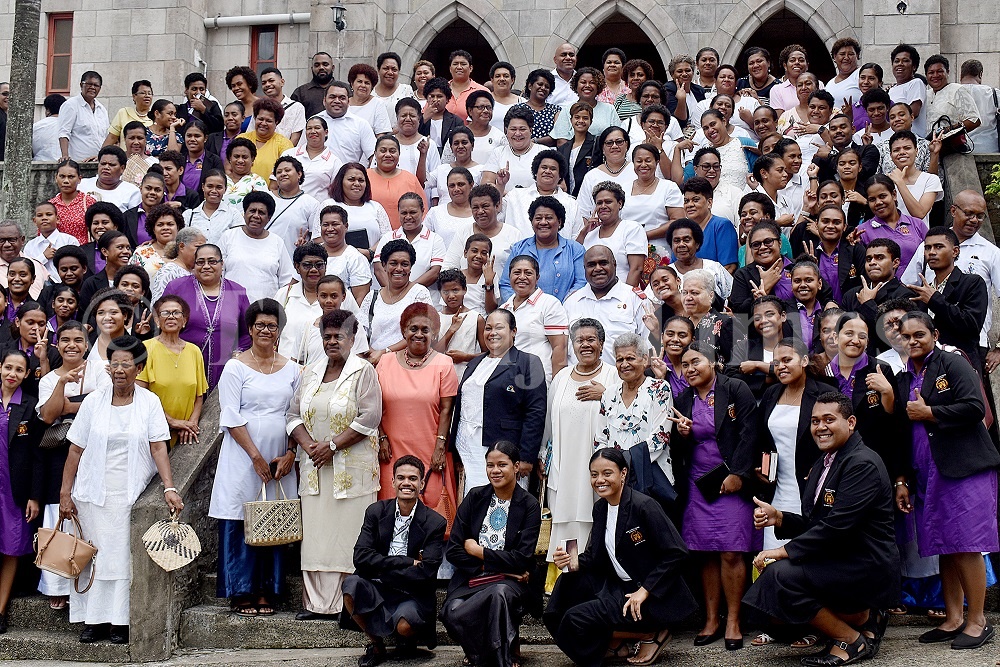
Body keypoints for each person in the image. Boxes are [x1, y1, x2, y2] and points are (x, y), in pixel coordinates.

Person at [744, 392, 901, 665]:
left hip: (865, 564)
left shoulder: (861, 463)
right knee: (775, 586)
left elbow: (838, 526)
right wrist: (780, 517)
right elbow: (819, 522)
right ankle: (865, 618)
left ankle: (851, 641)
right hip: (839, 558)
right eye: (815, 421)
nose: (820, 427)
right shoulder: (825, 461)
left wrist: (784, 550)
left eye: (829, 419)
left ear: (851, 422)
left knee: (781, 577)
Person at [60, 335, 181, 643]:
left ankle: (120, 622)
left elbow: (158, 448)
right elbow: (75, 449)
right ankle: (93, 620)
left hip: (130, 494)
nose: (120, 369)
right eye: (115, 363)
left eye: (127, 364)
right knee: (94, 556)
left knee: (122, 559)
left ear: (139, 368)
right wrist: (65, 492)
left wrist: (169, 487)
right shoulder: (94, 401)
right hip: (91, 494)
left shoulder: (149, 402)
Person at [892, 312, 1000, 650]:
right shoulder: (904, 375)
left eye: (919, 334)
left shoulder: (952, 363)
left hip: (964, 468)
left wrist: (931, 414)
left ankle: (978, 621)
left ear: (934, 334)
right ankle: (953, 618)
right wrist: (903, 479)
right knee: (944, 544)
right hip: (926, 472)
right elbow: (900, 433)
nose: (913, 341)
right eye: (906, 336)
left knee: (966, 544)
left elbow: (973, 407)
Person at [545, 447, 696, 667]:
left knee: (574, 620)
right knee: (560, 597)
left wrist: (645, 591)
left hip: (649, 595)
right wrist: (570, 560)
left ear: (623, 473)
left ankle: (649, 635)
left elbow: (677, 552)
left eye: (607, 473)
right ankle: (615, 646)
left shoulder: (644, 506)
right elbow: (595, 557)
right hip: (620, 586)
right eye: (594, 474)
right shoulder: (600, 509)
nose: (600, 480)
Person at [282, 307, 382, 620]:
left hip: (351, 470)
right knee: (317, 536)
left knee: (349, 534)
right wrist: (307, 444)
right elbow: (292, 415)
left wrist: (333, 446)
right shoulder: (310, 372)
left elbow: (370, 416)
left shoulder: (363, 371)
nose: (332, 341)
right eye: (327, 336)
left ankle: (348, 605)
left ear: (353, 339)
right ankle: (316, 603)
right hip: (315, 466)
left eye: (339, 336)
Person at [209, 299, 300, 618]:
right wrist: (255, 457)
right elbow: (231, 416)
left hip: (279, 456)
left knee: (272, 518)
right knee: (240, 518)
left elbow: (297, 413)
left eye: (272, 325)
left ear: (279, 331)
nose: (265, 330)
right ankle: (242, 591)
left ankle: (267, 590)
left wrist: (291, 453)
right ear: (249, 329)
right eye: (260, 325)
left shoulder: (292, 368)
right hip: (242, 453)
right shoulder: (235, 367)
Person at [670, 341, 756, 650]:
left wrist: (740, 475)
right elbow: (676, 451)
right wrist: (680, 436)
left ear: (713, 362)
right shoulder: (681, 398)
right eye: (685, 365)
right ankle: (711, 619)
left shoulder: (735, 389)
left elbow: (750, 433)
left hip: (731, 480)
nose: (690, 368)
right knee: (705, 551)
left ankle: (733, 619)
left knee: (732, 551)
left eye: (696, 362)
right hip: (698, 483)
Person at [440, 440, 542, 667]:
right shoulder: (475, 497)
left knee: (499, 594)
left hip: (511, 582)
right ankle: (480, 651)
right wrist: (489, 566)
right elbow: (455, 550)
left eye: (502, 465)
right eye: (490, 465)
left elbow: (522, 557)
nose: (495, 471)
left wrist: (479, 551)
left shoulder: (529, 505)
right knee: (452, 612)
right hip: (473, 576)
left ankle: (502, 656)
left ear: (516, 466)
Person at [342, 455, 448, 664]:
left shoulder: (435, 523)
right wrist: (406, 562)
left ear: (422, 483)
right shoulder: (376, 511)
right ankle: (376, 645)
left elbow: (427, 570)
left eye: (412, 478)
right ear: (393, 482)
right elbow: (360, 557)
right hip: (379, 585)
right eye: (401, 477)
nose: (406, 483)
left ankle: (406, 640)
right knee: (351, 585)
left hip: (412, 593)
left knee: (405, 626)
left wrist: (380, 566)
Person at [35, 322, 110, 609]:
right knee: (59, 514)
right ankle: (57, 583)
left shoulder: (100, 370)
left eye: (78, 340)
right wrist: (62, 384)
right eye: (65, 340)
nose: (71, 345)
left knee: (88, 512)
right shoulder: (48, 379)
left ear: (87, 343)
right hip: (59, 453)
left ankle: (89, 581)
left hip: (91, 451)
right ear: (57, 344)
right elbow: (48, 415)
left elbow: (104, 405)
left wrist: (67, 405)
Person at [545, 318, 618, 567]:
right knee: (565, 520)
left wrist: (606, 395)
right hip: (564, 468)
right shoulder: (562, 378)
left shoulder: (613, 376)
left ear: (601, 343)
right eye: (579, 340)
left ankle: (590, 575)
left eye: (591, 339)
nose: (585, 345)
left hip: (598, 469)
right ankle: (565, 576)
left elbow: (627, 411)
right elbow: (548, 426)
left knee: (595, 518)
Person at [450, 309, 546, 489]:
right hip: (467, 447)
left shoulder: (528, 363)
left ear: (513, 331)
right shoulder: (476, 363)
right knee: (473, 503)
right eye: (488, 328)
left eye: (499, 327)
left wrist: (526, 456)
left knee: (504, 504)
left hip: (503, 451)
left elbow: (535, 412)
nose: (492, 333)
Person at [376, 302, 458, 507]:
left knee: (430, 509)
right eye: (413, 329)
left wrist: (440, 445)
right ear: (404, 331)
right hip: (391, 450)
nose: (419, 334)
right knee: (390, 506)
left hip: (429, 450)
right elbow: (373, 406)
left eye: (425, 330)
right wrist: (381, 436)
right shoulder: (385, 362)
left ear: (434, 333)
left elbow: (447, 409)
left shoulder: (444, 364)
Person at [906, 190, 1000, 360]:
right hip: (927, 342)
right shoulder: (928, 245)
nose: (974, 220)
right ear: (953, 211)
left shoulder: (991, 253)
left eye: (980, 216)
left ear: (955, 252)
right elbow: (907, 286)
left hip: (971, 343)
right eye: (969, 213)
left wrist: (999, 348)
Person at [163, 244, 251, 389]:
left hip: (224, 369)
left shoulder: (237, 291)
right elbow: (163, 324)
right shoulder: (177, 288)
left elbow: (247, 332)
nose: (206, 266)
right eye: (200, 262)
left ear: (222, 264)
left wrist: (238, 354)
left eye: (212, 261)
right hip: (182, 365)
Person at [904, 227, 988, 370]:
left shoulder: (972, 283)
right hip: (927, 367)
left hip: (961, 365)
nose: (931, 252)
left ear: (955, 251)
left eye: (939, 247)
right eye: (927, 248)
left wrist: (934, 299)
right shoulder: (923, 292)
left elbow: (971, 326)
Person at [0, 349, 42, 632]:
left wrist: (35, 496)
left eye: (19, 370)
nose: (12, 374)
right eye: (8, 368)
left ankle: (0, 609)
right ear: (0, 368)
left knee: (12, 549)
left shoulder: (30, 406)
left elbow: (39, 454)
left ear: (27, 374)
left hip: (14, 490)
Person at [595, 333, 674, 483]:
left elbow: (659, 438)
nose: (624, 364)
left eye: (630, 358)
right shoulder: (608, 394)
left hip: (650, 477)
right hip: (614, 480)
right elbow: (600, 439)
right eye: (619, 360)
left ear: (644, 359)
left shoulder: (659, 389)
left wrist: (622, 465)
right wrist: (610, 470)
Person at [136, 295, 208, 447]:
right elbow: (140, 396)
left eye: (176, 313)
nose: (171, 317)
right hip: (154, 433)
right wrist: (172, 422)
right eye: (165, 313)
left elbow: (199, 397)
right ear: (156, 320)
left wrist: (190, 424)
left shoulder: (194, 351)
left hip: (185, 435)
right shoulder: (146, 348)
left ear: (184, 320)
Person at [824, 314, 896, 461]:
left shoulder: (881, 369)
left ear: (868, 342)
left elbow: (894, 424)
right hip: (832, 457)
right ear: (836, 337)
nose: (855, 341)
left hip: (874, 457)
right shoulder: (823, 373)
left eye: (862, 336)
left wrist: (888, 392)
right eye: (849, 334)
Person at [563, 246, 647, 364]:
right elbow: (562, 348)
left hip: (621, 379)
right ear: (584, 269)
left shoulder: (635, 299)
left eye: (603, 263)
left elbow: (650, 347)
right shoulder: (571, 302)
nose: (598, 268)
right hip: (579, 379)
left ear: (614, 264)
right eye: (591, 265)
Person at [501, 195, 586, 303]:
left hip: (566, 313)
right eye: (538, 218)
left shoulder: (575, 250)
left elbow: (581, 283)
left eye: (549, 218)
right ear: (532, 222)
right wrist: (524, 307)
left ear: (559, 221)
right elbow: (505, 284)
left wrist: (559, 309)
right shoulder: (519, 249)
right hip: (525, 315)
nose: (543, 222)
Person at [360, 239, 434, 363]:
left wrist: (385, 352)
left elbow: (421, 333)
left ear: (411, 267)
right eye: (393, 263)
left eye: (404, 264)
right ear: (384, 265)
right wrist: (370, 352)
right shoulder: (372, 296)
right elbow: (359, 333)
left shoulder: (419, 293)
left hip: (407, 364)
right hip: (374, 363)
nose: (399, 269)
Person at [499, 255, 568, 383]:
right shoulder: (503, 309)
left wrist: (557, 386)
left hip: (537, 381)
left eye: (528, 273)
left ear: (537, 278)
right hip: (507, 380)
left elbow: (560, 347)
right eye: (517, 272)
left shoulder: (549, 304)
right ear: (509, 277)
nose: (522, 277)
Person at [218, 191, 295, 302]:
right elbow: (218, 273)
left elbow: (286, 280)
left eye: (261, 213)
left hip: (265, 310)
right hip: (231, 306)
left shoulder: (277, 242)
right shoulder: (229, 236)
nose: (256, 216)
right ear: (244, 213)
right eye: (252, 211)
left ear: (269, 218)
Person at [372, 194, 444, 302]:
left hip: (424, 301)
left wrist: (407, 293)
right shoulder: (388, 237)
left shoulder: (435, 239)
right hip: (390, 301)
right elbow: (379, 268)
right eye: (404, 213)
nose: (408, 217)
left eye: (413, 212)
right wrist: (394, 293)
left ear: (423, 211)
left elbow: (435, 272)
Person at [441, 184, 524, 275]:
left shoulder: (513, 234)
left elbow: (521, 270)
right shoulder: (464, 232)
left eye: (485, 206)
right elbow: (448, 267)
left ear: (497, 206)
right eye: (475, 207)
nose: (480, 211)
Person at [856, 174, 928, 274]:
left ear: (894, 195)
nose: (878, 202)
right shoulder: (862, 231)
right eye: (872, 199)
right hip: (881, 288)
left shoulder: (917, 225)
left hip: (918, 288)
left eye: (882, 196)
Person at [315, 163, 392, 256]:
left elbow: (387, 238)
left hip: (372, 264)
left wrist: (369, 252)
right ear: (341, 181)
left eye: (361, 180)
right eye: (351, 179)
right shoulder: (328, 205)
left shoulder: (376, 207)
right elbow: (318, 239)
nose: (357, 184)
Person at [578, 181, 645, 287]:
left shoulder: (632, 229)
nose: (603, 206)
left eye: (608, 202)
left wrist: (626, 298)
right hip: (591, 296)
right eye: (599, 203)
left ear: (620, 204)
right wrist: (584, 232)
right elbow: (575, 259)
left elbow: (636, 269)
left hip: (623, 295)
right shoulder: (590, 234)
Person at [499, 150, 578, 240]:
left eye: (553, 169)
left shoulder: (571, 203)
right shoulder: (515, 196)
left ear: (560, 175)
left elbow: (576, 236)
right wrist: (501, 185)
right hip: (519, 253)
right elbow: (496, 214)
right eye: (544, 167)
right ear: (536, 171)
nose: (548, 171)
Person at [314, 204, 373, 307]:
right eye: (325, 225)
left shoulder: (356, 258)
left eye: (335, 224)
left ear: (346, 226)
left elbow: (361, 301)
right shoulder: (310, 253)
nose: (330, 229)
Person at [306, 81, 377, 166]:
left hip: (347, 177)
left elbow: (374, 157)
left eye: (342, 98)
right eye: (332, 97)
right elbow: (301, 151)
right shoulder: (312, 122)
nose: (337, 101)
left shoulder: (361, 124)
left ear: (348, 102)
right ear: (324, 101)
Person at [367, 136, 427, 231]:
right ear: (375, 154)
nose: (387, 155)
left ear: (399, 154)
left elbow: (423, 211)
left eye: (392, 151)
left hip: (405, 237)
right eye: (383, 151)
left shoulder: (410, 179)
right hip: (372, 236)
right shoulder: (364, 178)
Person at [666, 218, 733, 303]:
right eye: (677, 241)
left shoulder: (715, 268)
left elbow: (733, 297)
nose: (681, 244)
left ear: (697, 244)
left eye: (686, 240)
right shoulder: (665, 274)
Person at [575, 126, 634, 221]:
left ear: (626, 145)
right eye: (609, 143)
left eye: (619, 142)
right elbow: (583, 213)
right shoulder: (592, 176)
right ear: (602, 148)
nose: (614, 146)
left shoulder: (637, 171)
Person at [483, 107, 546, 195]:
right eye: (513, 129)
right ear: (506, 130)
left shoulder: (544, 152)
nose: (517, 134)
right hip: (505, 204)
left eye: (522, 129)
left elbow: (561, 186)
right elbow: (486, 183)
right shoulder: (498, 152)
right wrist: (510, 195)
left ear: (530, 130)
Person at [680, 177, 738, 272]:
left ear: (709, 202)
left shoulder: (721, 226)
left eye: (695, 200)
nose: (689, 205)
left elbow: (729, 267)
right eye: (686, 201)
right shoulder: (681, 231)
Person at [550, 67, 621, 145]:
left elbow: (618, 136)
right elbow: (561, 141)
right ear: (576, 86)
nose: (587, 85)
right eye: (583, 82)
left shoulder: (609, 109)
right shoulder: (567, 110)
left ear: (598, 86)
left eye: (592, 82)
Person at [435, 269, 486, 378]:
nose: (451, 296)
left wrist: (466, 357)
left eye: (455, 290)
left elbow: (488, 354)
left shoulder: (476, 319)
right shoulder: (435, 318)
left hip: (465, 377)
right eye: (445, 292)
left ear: (465, 290)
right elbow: (433, 354)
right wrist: (451, 330)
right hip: (440, 377)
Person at [885, 131, 943, 224]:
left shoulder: (930, 179)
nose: (902, 152)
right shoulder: (885, 181)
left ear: (916, 151)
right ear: (891, 155)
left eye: (907, 148)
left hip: (920, 237)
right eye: (896, 150)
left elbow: (920, 213)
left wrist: (900, 182)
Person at [268, 156, 321, 255]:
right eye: (279, 172)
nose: (283, 174)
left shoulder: (311, 204)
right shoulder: (266, 198)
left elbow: (318, 239)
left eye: (287, 170)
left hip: (293, 262)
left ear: (299, 174)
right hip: (264, 257)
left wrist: (307, 247)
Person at [59, 71, 109, 161]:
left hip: (98, 162)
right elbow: (64, 133)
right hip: (78, 162)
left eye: (96, 85)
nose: (92, 87)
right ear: (81, 85)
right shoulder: (71, 105)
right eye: (89, 84)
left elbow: (106, 136)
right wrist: (65, 156)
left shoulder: (102, 109)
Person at [924, 55, 981, 133]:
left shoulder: (956, 90)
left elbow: (974, 120)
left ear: (947, 72)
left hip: (952, 143)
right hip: (929, 144)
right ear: (926, 76)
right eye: (931, 72)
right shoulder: (926, 95)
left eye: (940, 71)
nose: (935, 75)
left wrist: (948, 130)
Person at [23, 202, 79, 280]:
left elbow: (77, 266)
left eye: (49, 214)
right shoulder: (30, 246)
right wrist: (43, 257)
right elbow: (26, 270)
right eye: (40, 215)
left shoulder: (69, 241)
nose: (44, 218)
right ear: (34, 221)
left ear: (58, 219)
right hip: (38, 287)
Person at [149, 226, 205, 304]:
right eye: (198, 247)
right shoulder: (169, 271)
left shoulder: (198, 272)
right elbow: (158, 305)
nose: (202, 251)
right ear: (182, 246)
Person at [128, 203, 183, 281]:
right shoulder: (140, 254)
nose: (165, 228)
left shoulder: (186, 252)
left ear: (178, 227)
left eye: (170, 224)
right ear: (153, 229)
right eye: (160, 225)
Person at [48, 159, 98, 246]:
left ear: (79, 179)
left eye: (71, 177)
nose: (66, 181)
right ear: (56, 178)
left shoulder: (88, 202)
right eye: (62, 176)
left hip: (84, 253)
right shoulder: (50, 205)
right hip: (57, 254)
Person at [556, 101, 599, 197]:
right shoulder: (563, 149)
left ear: (591, 122)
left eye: (585, 118)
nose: (581, 121)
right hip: (567, 197)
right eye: (577, 117)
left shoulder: (597, 144)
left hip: (589, 195)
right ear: (571, 120)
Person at [79, 146, 142, 211]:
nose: (106, 167)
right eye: (103, 164)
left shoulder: (132, 192)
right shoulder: (81, 185)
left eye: (111, 165)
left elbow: (134, 218)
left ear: (122, 168)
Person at [394, 98, 441, 185]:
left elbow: (436, 175)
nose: (408, 119)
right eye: (404, 115)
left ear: (419, 118)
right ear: (397, 117)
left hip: (422, 194)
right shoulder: (387, 143)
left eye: (412, 116)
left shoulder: (429, 144)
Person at [959, 59, 999, 153]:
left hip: (961, 149)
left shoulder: (952, 92)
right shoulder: (994, 93)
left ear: (961, 75)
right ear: (980, 74)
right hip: (990, 148)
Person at [889, 44, 927, 137]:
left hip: (912, 140)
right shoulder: (891, 89)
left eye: (905, 61)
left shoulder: (916, 83)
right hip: (895, 140)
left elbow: (914, 112)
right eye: (896, 61)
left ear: (914, 66)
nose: (900, 64)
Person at [223, 137, 269, 208]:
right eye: (236, 156)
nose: (240, 160)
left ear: (252, 159)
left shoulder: (258, 182)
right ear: (230, 158)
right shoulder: (221, 179)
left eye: (244, 157)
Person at [443, 49, 488, 118]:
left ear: (471, 68)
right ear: (450, 69)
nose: (459, 67)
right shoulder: (440, 89)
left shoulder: (482, 91)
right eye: (455, 64)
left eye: (463, 64)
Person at [291, 52, 335, 119]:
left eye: (325, 64)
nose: (321, 68)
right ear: (312, 69)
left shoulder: (345, 90)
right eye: (317, 65)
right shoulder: (300, 92)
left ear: (333, 68)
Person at [372, 51, 415, 119]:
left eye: (394, 69)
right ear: (378, 69)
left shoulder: (405, 90)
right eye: (386, 68)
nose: (390, 72)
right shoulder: (371, 93)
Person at [826, 38, 863, 108]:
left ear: (857, 56)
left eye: (851, 54)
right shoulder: (829, 84)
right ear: (834, 57)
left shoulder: (862, 75)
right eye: (842, 54)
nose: (846, 57)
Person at [489, 62, 526, 132]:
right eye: (497, 76)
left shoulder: (522, 102)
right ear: (492, 80)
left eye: (506, 76)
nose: (502, 79)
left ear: (512, 80)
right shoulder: (483, 100)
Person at [32, 93, 67, 161]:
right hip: (66, 166)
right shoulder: (71, 126)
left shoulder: (36, 126)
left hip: (40, 165)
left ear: (48, 110)